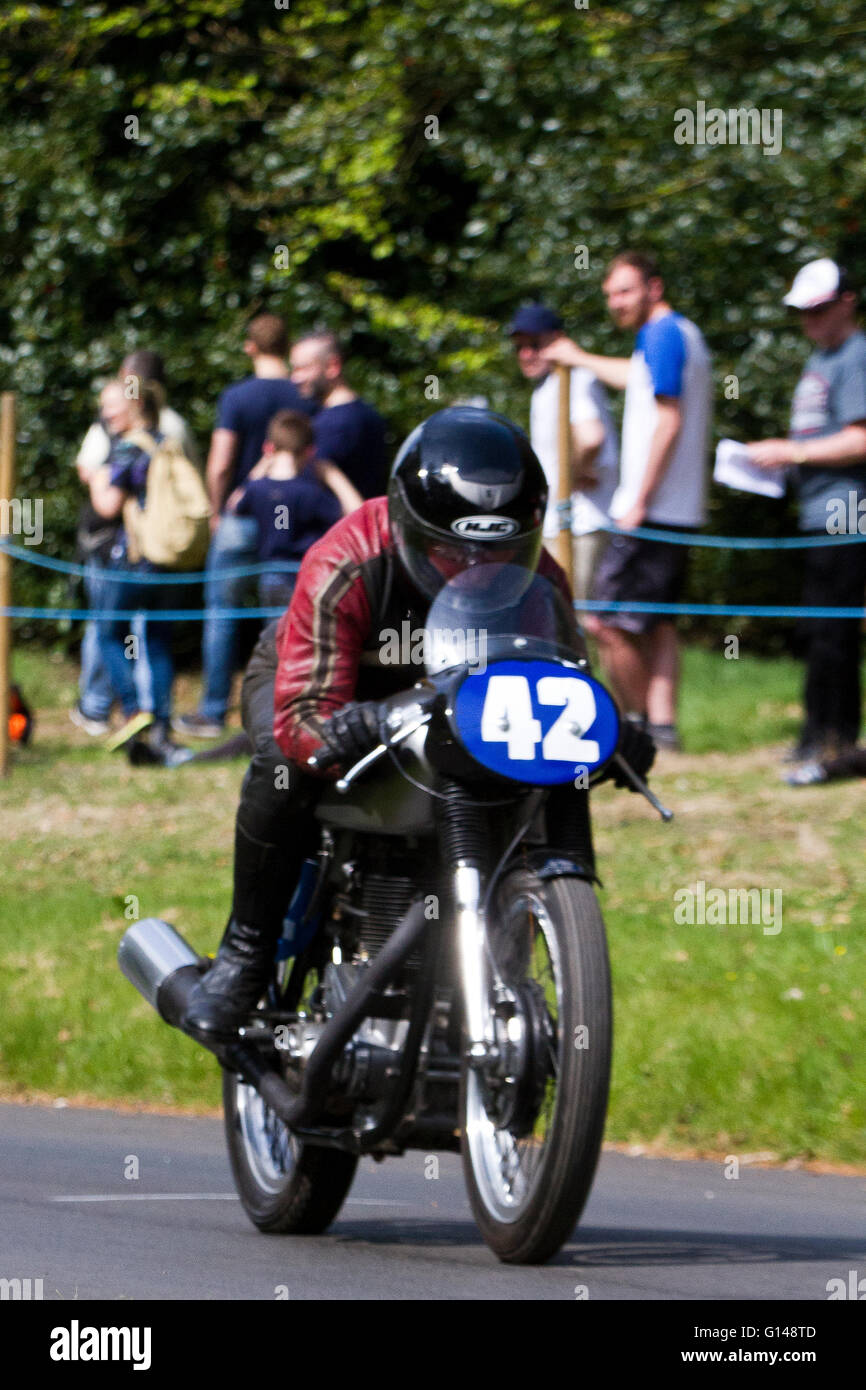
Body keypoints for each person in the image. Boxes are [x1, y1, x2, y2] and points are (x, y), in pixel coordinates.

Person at [181, 407, 656, 1044]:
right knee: (284, 770)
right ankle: (245, 956)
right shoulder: (348, 558)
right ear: (408, 526)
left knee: (538, 779)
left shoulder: (541, 577)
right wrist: (338, 728)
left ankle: (503, 954)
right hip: (325, 685)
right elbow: (299, 716)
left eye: (499, 548)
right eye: (451, 548)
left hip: (456, 702)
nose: (473, 565)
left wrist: (610, 734)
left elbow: (561, 692)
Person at [541, 251, 712, 751]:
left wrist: (638, 498)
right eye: (611, 294)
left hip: (649, 508)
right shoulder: (679, 335)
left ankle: (634, 728)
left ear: (654, 288)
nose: (616, 303)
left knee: (604, 619)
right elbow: (636, 378)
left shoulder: (661, 335)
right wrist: (580, 358)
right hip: (677, 507)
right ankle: (662, 729)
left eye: (625, 291)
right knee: (656, 624)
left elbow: (669, 419)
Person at [746, 258, 866, 767]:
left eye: (818, 310)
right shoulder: (821, 359)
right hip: (818, 514)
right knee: (819, 629)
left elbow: (861, 438)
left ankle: (833, 742)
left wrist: (790, 452)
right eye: (803, 313)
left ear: (847, 302)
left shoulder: (856, 356)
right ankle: (820, 734)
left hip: (846, 514)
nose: (809, 322)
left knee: (832, 631)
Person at [175, 314, 317, 739]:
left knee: (222, 612)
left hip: (242, 512)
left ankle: (214, 710)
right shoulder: (305, 395)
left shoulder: (237, 397)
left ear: (250, 347)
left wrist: (218, 511)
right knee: (284, 617)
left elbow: (220, 463)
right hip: (291, 519)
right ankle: (282, 710)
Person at [71, 356, 196, 734]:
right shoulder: (168, 440)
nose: (107, 417)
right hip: (167, 560)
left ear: (135, 406)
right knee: (156, 643)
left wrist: (96, 476)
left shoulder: (129, 449)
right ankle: (159, 723)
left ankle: (131, 709)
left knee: (111, 634)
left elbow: (106, 504)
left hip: (133, 560)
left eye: (113, 409)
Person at [507, 301, 619, 601]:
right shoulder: (547, 386)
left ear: (558, 340)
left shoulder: (573, 378)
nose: (526, 354)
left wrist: (577, 471)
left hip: (583, 523)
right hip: (563, 523)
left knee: (573, 618)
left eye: (535, 344)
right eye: (520, 347)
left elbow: (592, 437)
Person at [227, 410, 364, 611]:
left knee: (274, 636)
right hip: (303, 574)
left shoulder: (256, 489)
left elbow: (233, 505)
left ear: (268, 448)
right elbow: (357, 513)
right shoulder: (310, 493)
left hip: (270, 574)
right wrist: (332, 475)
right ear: (310, 451)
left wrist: (264, 463)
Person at [289, 332, 389, 499]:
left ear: (332, 367)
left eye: (303, 368)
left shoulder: (334, 425)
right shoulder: (368, 414)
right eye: (294, 368)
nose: (295, 378)